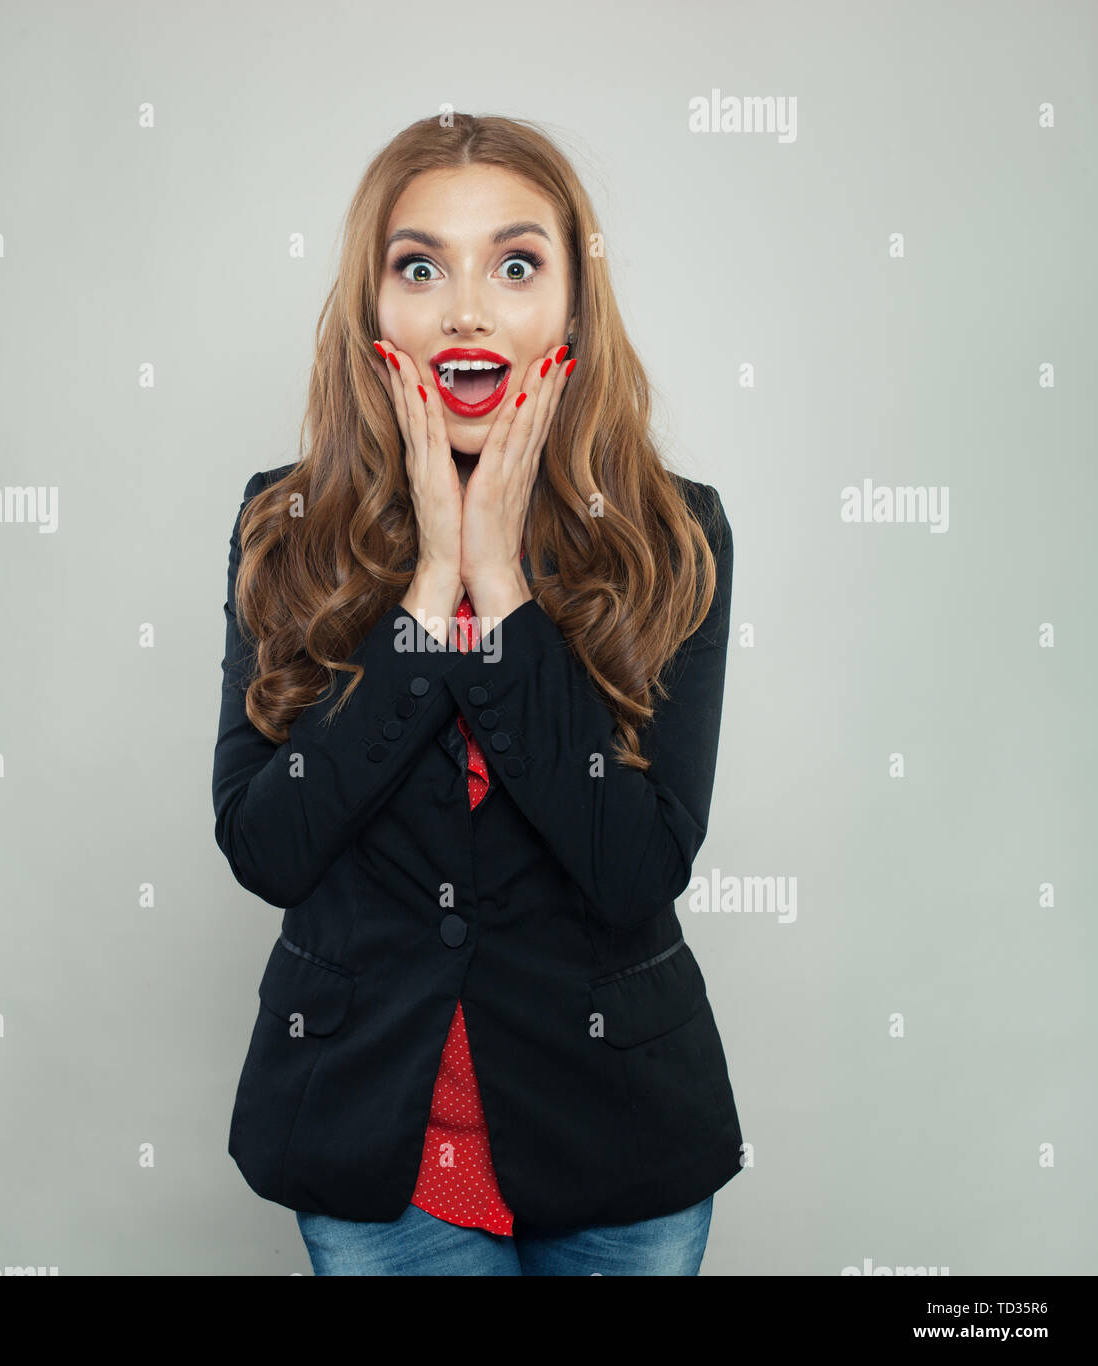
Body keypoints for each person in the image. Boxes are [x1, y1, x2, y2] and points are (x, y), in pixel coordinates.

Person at [212, 112, 741, 1275]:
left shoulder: (673, 533)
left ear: (571, 307)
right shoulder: (283, 526)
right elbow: (266, 846)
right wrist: (425, 599)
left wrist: (497, 593)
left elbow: (636, 867)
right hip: (380, 1161)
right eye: (419, 267)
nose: (467, 310)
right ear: (371, 310)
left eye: (514, 265)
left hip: (616, 1152)